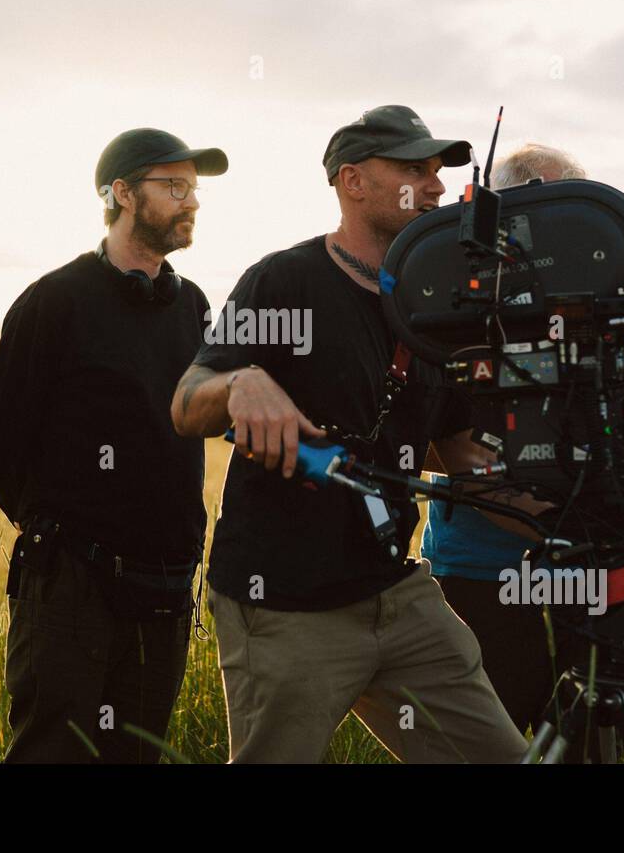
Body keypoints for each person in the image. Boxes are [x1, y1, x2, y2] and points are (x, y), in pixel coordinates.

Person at [172, 105, 543, 764]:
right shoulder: (285, 281)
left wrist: (578, 512)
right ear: (353, 181)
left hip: (399, 594)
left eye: (436, 172)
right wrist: (239, 383)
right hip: (284, 604)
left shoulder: (434, 307)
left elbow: (458, 450)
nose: (433, 186)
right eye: (411, 169)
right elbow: (186, 403)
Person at [0, 127, 227, 763]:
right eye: (172, 186)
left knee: (137, 754)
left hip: (167, 582)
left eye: (192, 189)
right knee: (52, 753)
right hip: (71, 584)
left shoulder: (192, 303)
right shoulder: (54, 301)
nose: (189, 200)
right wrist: (56, 531)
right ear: (120, 193)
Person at [423, 141, 596, 754]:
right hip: (482, 576)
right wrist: (571, 526)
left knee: (593, 739)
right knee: (489, 745)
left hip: (585, 574)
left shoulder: (594, 304)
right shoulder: (456, 304)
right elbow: (458, 456)